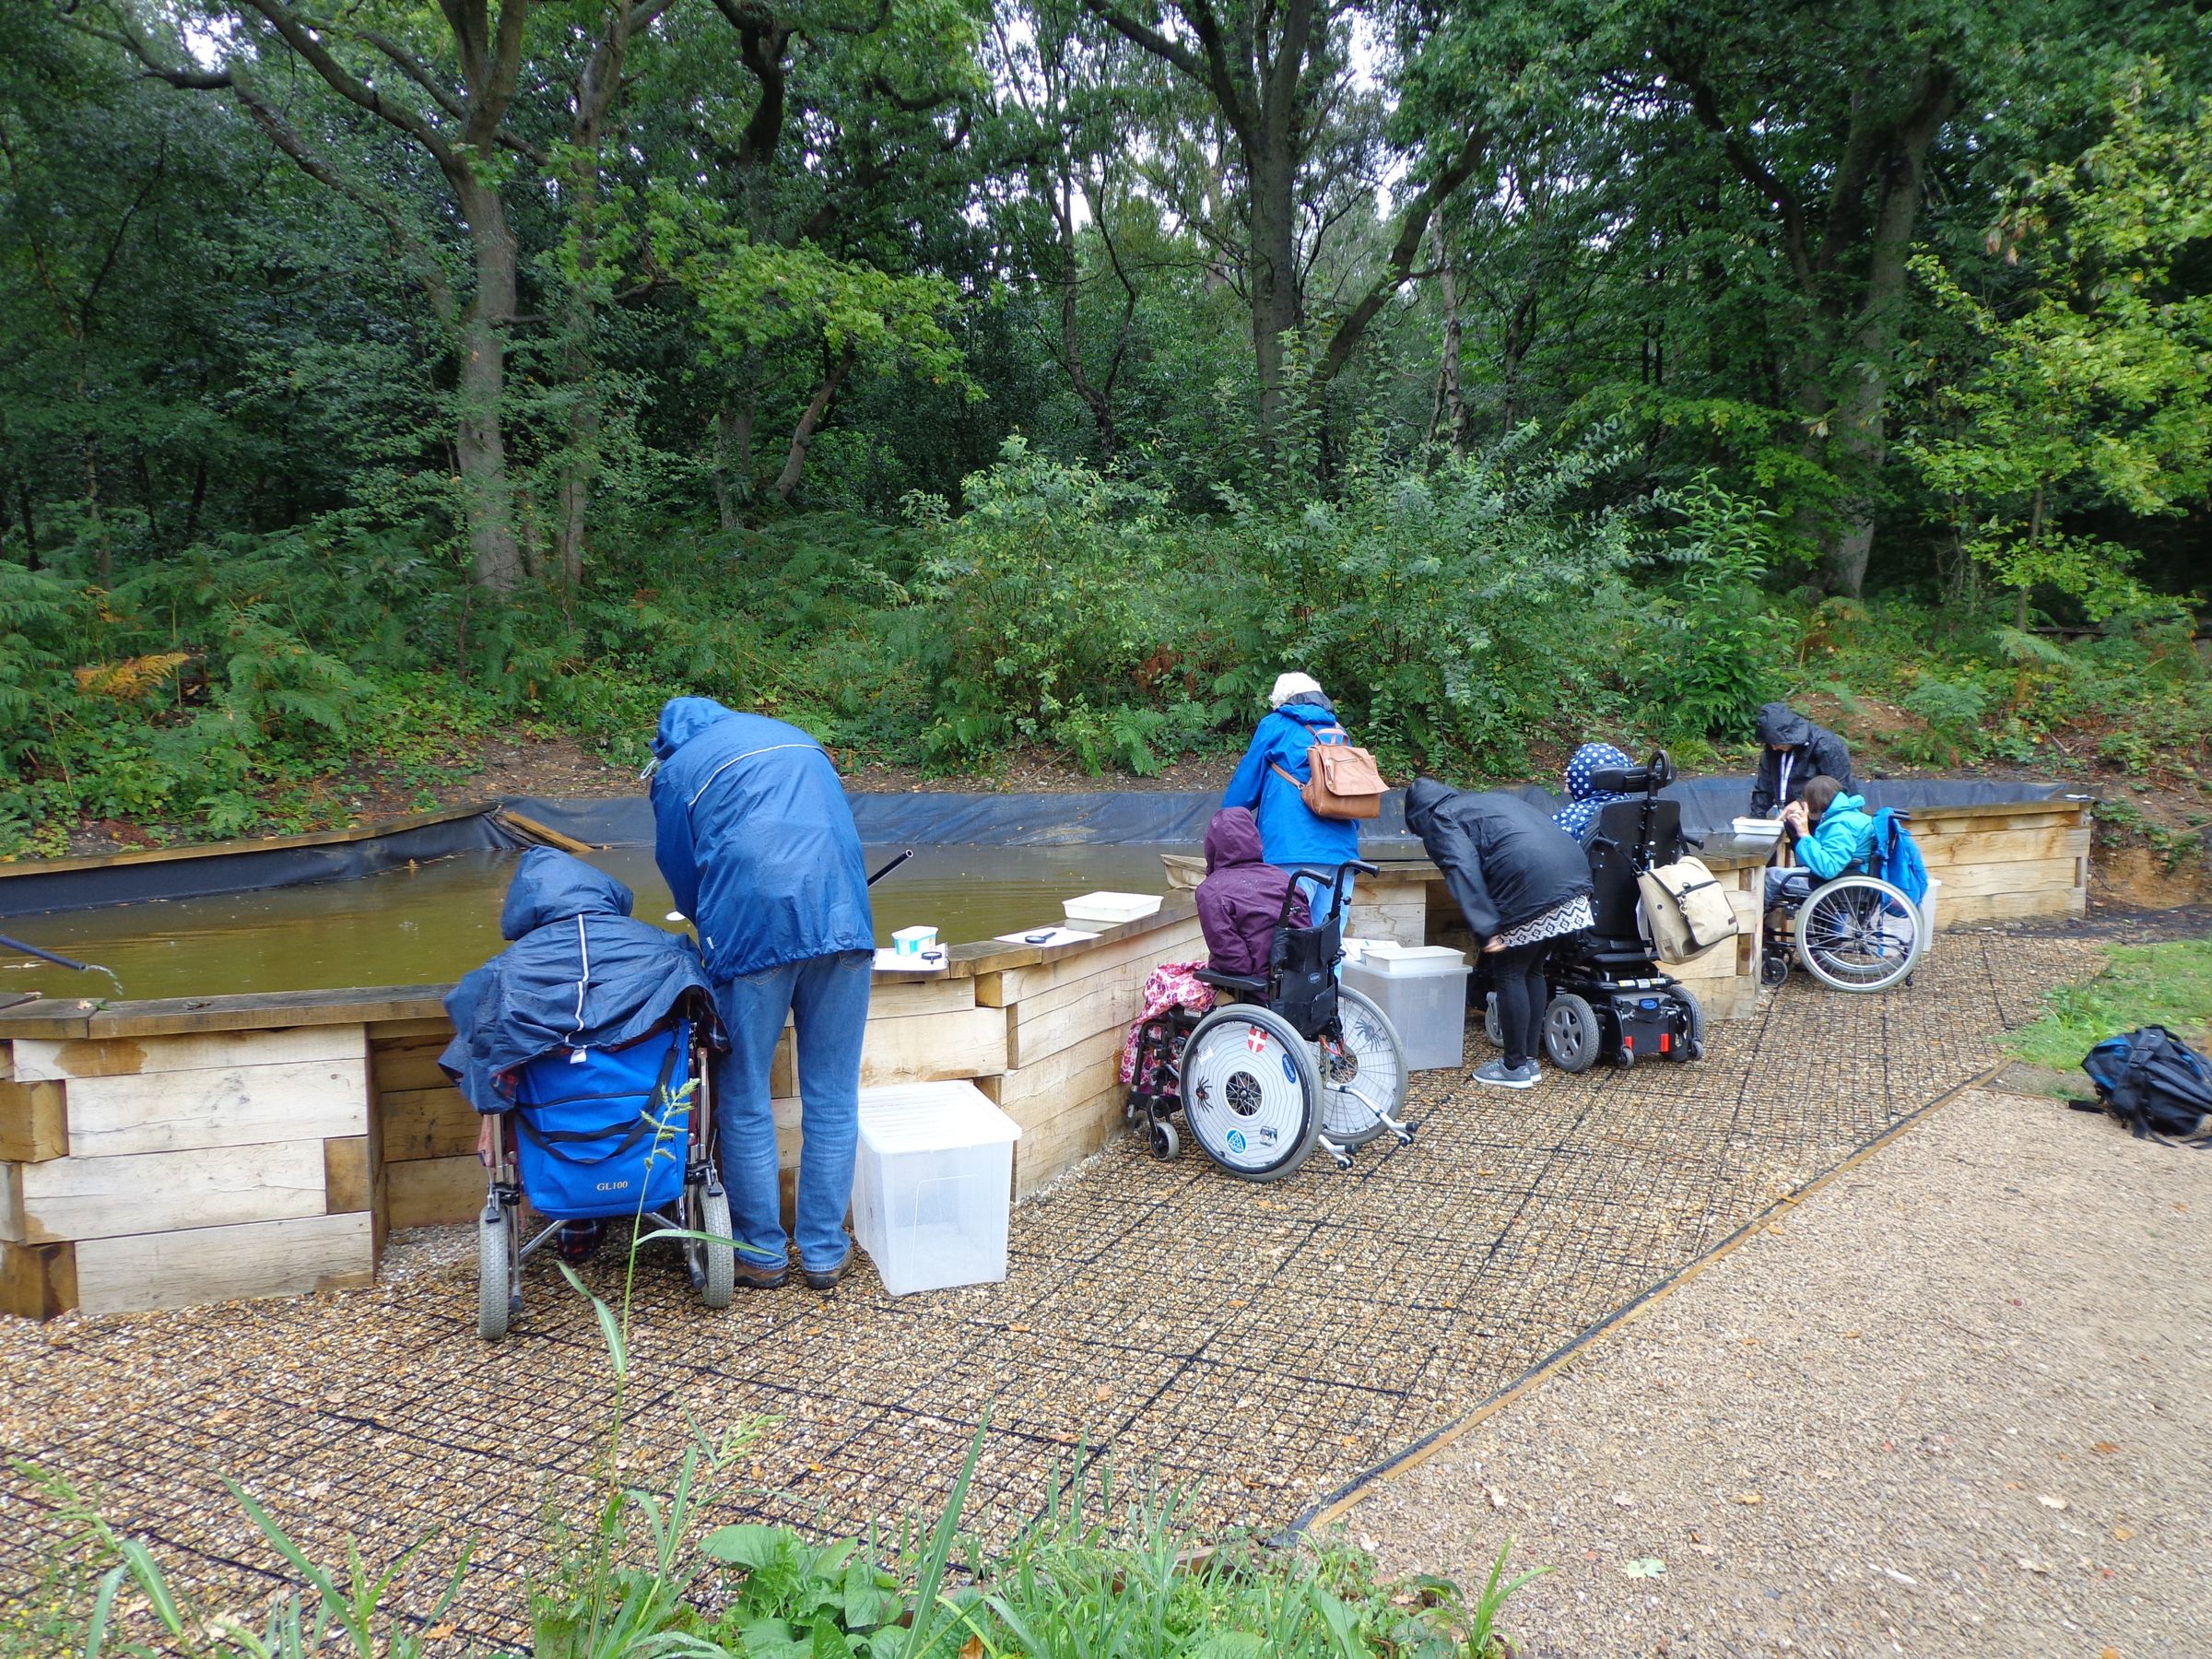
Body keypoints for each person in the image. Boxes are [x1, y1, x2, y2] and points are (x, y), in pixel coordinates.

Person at [650, 696, 874, 1291]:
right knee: (833, 1094)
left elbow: (679, 870)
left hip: (753, 937)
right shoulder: (795, 733)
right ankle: (825, 1253)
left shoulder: (677, 769)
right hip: (846, 922)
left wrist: (712, 932)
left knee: (745, 1093)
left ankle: (761, 1255)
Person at [442, 848, 720, 1264]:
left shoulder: (505, 972)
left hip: (553, 1126)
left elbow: (478, 1051)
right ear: (605, 894)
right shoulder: (667, 952)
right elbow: (709, 1028)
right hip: (646, 1112)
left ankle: (579, 1226)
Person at [1405, 779, 1594, 1090]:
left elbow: (1460, 868)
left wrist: (1486, 927)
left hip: (1531, 883)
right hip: (1573, 876)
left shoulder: (1441, 819)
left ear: (1418, 817)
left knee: (1508, 972)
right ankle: (1529, 1060)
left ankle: (1515, 1066)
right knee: (1532, 970)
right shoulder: (1485, 801)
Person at [1219, 672, 1361, 919]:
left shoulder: (1275, 725)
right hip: (1342, 854)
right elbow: (1352, 799)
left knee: (1288, 941)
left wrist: (1222, 828)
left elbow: (1244, 789)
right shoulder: (1339, 732)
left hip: (1290, 851)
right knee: (1329, 946)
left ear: (1281, 701)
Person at [1194, 806, 1311, 979]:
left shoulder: (1211, 891)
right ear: (1255, 837)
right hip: (1301, 975)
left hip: (1259, 984)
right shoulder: (1279, 876)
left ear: (1211, 845)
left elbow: (1232, 960)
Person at [1765, 775, 1876, 911]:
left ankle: (1757, 926)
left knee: (1769, 876)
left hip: (1833, 883)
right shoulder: (1851, 817)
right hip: (1848, 877)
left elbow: (1828, 868)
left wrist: (1804, 835)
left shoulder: (1840, 825)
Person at [1749, 701, 1853, 818]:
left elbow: (1840, 788)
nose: (1774, 747)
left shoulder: (1826, 744)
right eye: (1770, 743)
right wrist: (1754, 819)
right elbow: (1764, 785)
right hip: (1792, 816)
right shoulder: (1774, 749)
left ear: (1790, 734)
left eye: (1777, 742)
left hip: (1827, 818)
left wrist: (1803, 803)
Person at [1551, 741, 1640, 844]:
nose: (1565, 774)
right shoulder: (1629, 808)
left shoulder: (1578, 819)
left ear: (1591, 777)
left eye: (1576, 770)